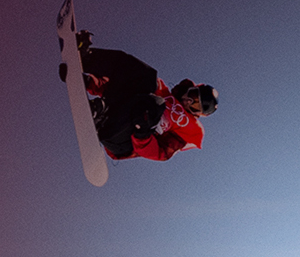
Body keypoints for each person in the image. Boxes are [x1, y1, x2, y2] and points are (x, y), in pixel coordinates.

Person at [69, 29, 216, 162]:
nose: (188, 102)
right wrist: (89, 83)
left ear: (199, 114)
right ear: (189, 89)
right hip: (116, 112)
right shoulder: (160, 88)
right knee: (147, 76)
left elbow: (162, 152)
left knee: (155, 104)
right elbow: (122, 87)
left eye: (195, 105)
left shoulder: (191, 129)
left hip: (123, 139)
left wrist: (142, 133)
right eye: (193, 96)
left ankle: (102, 117)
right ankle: (87, 58)